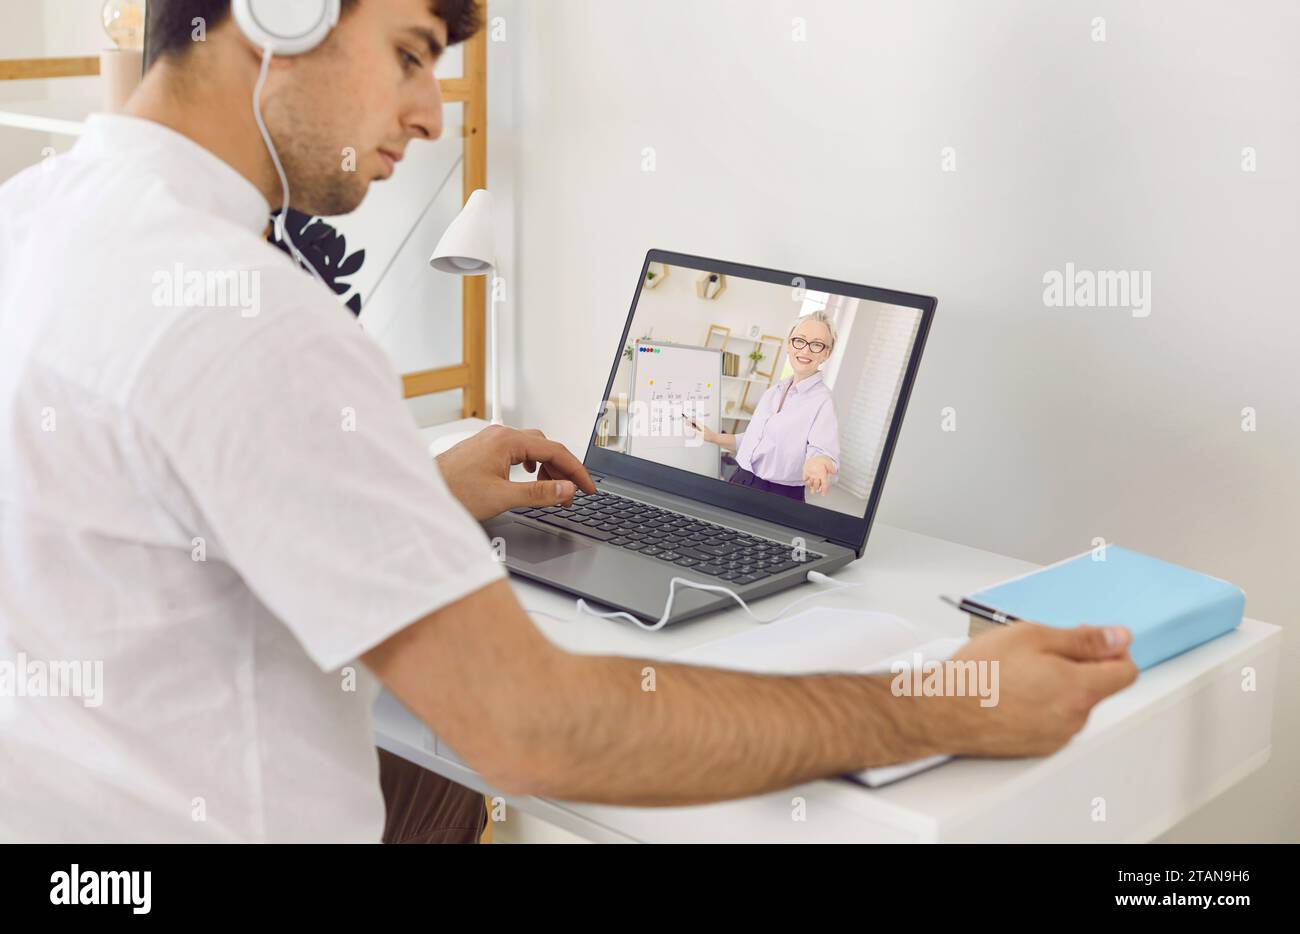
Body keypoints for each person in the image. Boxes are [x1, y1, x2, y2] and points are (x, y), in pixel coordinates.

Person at [0, 0, 1138, 843]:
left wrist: (419, 496)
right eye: (408, 52)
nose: (432, 115)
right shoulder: (251, 318)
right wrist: (946, 698)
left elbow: (131, 521)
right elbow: (531, 726)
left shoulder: (35, 219)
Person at [691, 312, 840, 501]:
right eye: (799, 341)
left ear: (827, 353)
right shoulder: (773, 392)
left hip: (778, 495)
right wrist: (713, 437)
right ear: (789, 345)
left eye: (817, 344)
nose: (806, 350)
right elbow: (754, 441)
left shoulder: (823, 401)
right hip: (740, 479)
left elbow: (824, 452)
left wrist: (820, 462)